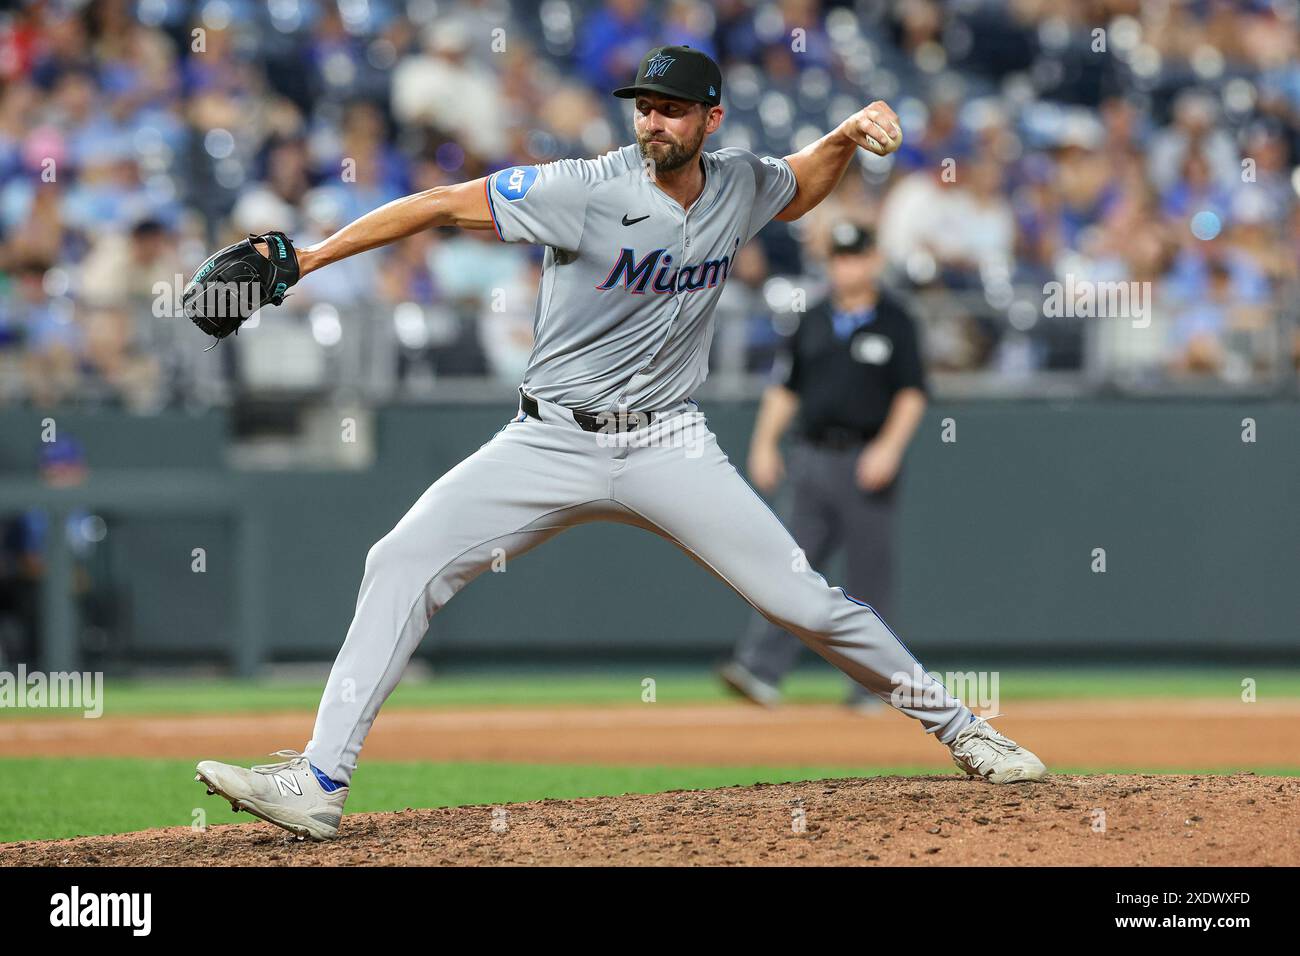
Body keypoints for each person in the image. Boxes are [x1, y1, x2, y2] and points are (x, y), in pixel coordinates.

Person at [193, 46, 1048, 842]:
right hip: (548, 440)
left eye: (673, 110)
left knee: (804, 603)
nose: (653, 123)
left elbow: (800, 184)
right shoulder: (583, 188)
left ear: (712, 120)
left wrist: (848, 133)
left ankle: (966, 731)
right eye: (645, 107)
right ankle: (319, 783)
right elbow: (438, 205)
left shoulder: (739, 185)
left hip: (669, 442)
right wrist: (309, 258)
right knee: (400, 558)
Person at [720, 222, 927, 710]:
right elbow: (784, 388)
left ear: (873, 260)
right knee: (789, 567)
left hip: (865, 457)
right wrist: (764, 444)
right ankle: (759, 671)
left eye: (855, 257)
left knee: (868, 577)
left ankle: (873, 686)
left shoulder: (896, 320)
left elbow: (912, 392)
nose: (846, 266)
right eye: (838, 258)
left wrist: (890, 448)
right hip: (812, 456)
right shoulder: (810, 319)